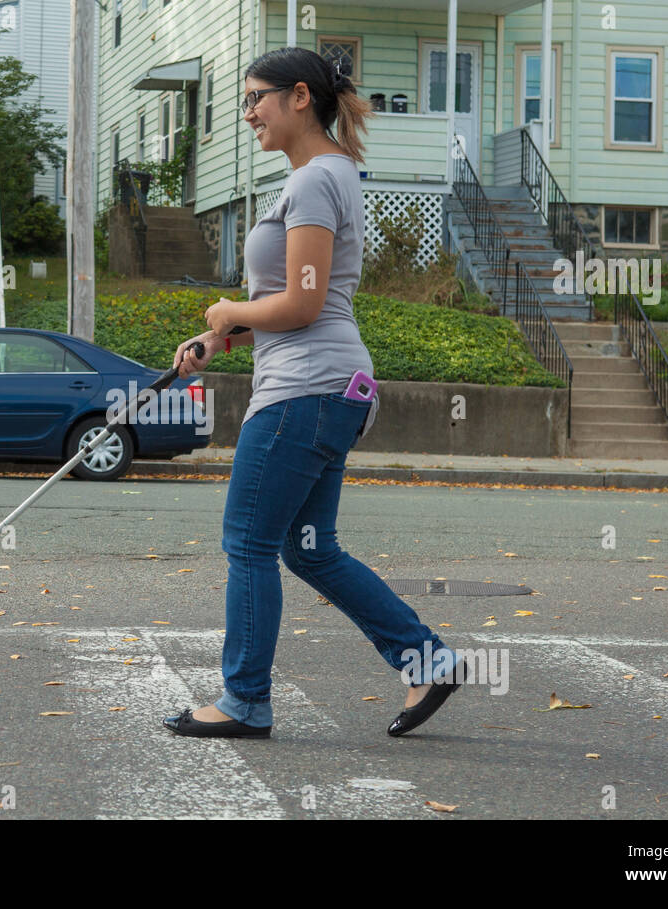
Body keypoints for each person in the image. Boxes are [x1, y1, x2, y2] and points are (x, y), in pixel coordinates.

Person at [162, 47, 465, 740]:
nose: (247, 114)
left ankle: (243, 700)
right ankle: (427, 660)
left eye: (256, 98)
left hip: (305, 390)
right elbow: (297, 304)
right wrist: (223, 337)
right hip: (328, 386)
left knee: (247, 540)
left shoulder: (314, 181)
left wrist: (232, 311)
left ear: (300, 97)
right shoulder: (324, 176)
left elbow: (302, 305)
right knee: (307, 547)